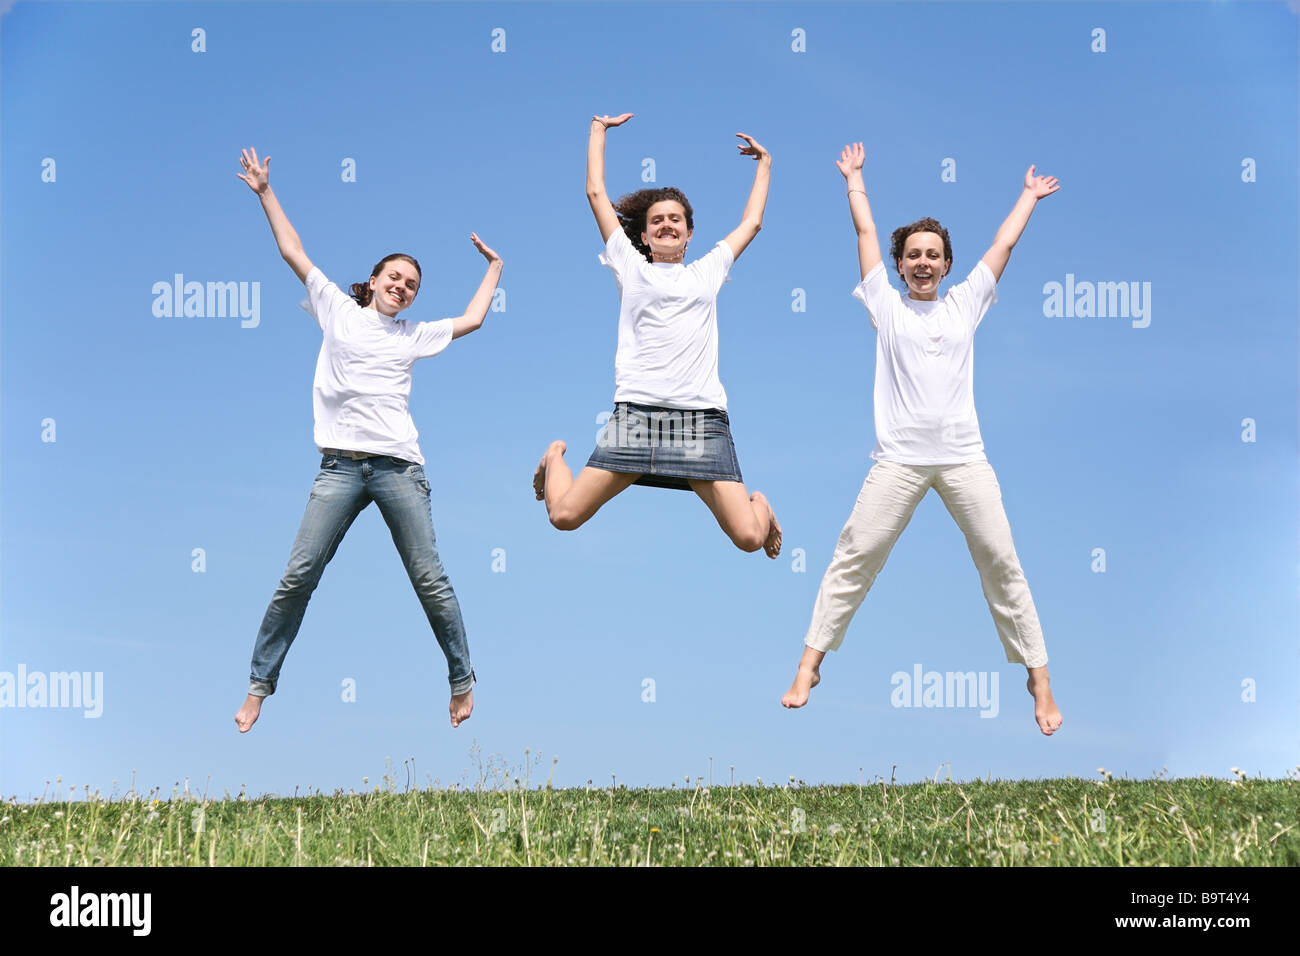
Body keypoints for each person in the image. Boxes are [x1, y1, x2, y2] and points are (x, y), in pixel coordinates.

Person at [782, 142, 1063, 736]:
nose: (924, 262)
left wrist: (1028, 197)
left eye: (933, 255)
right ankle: (810, 665)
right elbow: (864, 232)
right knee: (855, 553)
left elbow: (1003, 245)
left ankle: (1038, 680)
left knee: (1001, 560)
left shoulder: (965, 305)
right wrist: (855, 180)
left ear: (947, 264)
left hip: (964, 459)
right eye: (913, 255)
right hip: (899, 462)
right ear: (901, 263)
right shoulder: (886, 306)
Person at [231, 147, 502, 733]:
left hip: (399, 468)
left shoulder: (412, 334)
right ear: (374, 280)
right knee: (298, 574)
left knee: (428, 576)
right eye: (395, 278)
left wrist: (494, 270)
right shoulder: (337, 310)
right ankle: (259, 685)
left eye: (412, 285)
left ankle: (462, 677)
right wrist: (265, 192)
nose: (402, 288)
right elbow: (293, 251)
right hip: (338, 469)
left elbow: (473, 320)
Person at [532, 113, 781, 558]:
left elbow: (752, 224)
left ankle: (759, 503)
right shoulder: (630, 267)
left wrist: (764, 164)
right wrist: (597, 130)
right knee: (563, 517)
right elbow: (595, 193)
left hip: (700, 420)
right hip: (637, 417)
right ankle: (554, 457)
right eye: (658, 221)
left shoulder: (708, 271)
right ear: (644, 236)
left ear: (688, 235)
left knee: (748, 537)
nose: (667, 225)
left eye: (676, 221)